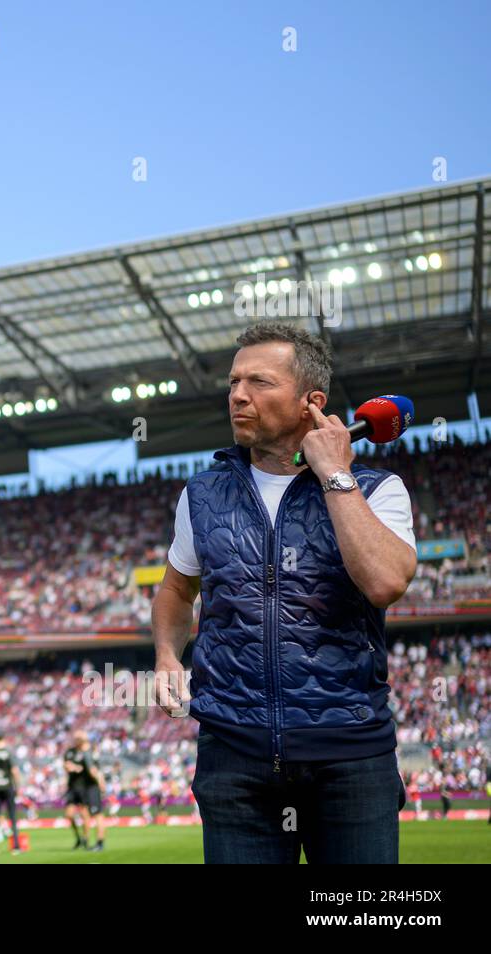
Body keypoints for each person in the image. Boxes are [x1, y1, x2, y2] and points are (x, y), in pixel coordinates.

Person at [152, 321, 416, 864]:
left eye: (259, 382)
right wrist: (164, 656)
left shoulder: (377, 489)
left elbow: (385, 583)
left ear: (310, 403)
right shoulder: (201, 494)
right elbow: (177, 590)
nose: (238, 395)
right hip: (233, 756)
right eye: (233, 382)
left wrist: (334, 474)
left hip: (349, 756)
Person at [63, 730, 105, 851]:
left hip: (88, 787)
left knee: (92, 814)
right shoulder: (71, 752)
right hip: (75, 787)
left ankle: (93, 841)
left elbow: (93, 770)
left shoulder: (88, 752)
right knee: (70, 814)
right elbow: (68, 765)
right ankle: (82, 839)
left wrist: (100, 783)